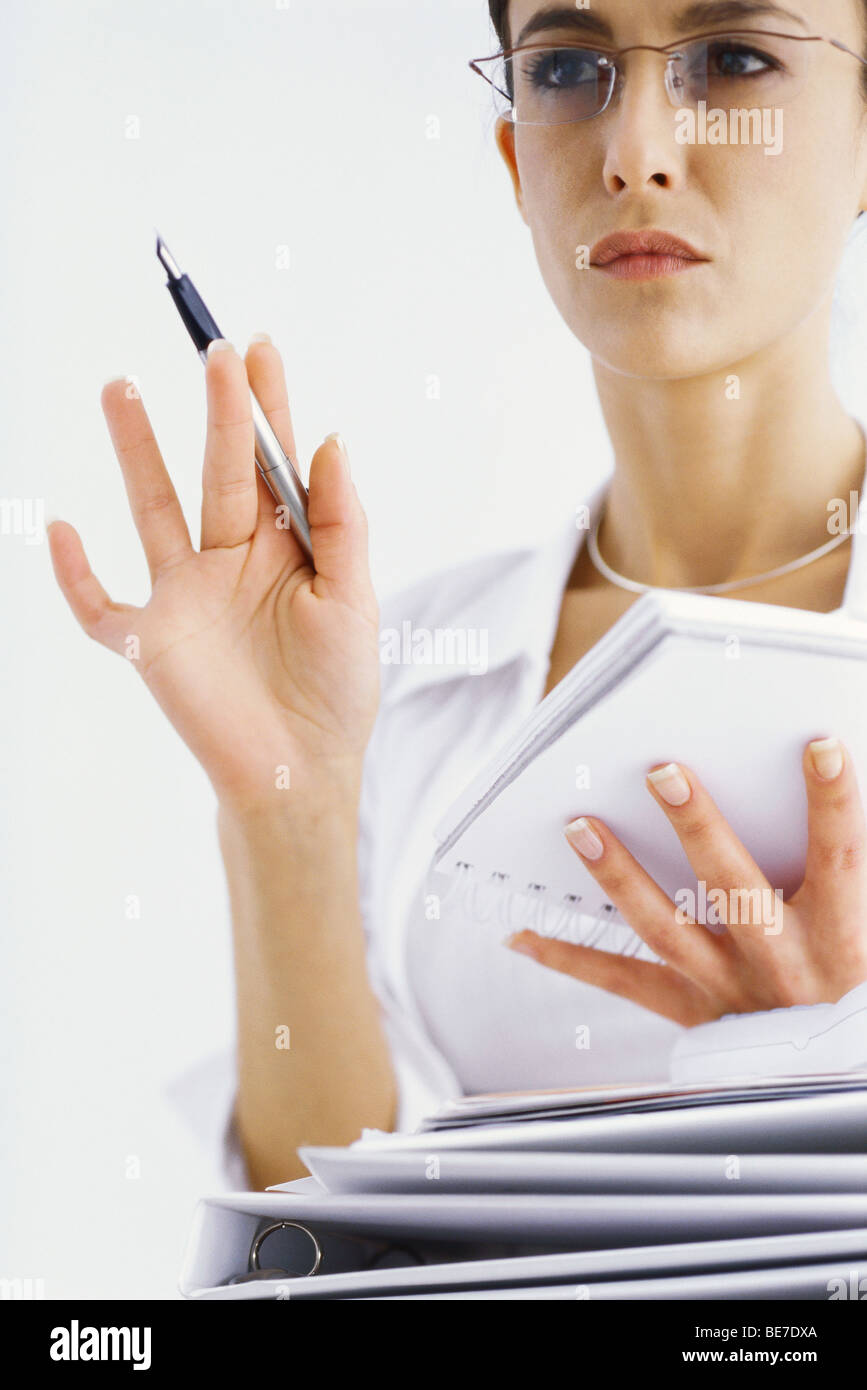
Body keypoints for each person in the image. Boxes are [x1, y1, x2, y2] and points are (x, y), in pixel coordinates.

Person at [49, 0, 867, 1191]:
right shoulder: (401, 683)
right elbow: (321, 1223)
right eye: (570, 66)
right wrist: (293, 805)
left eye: (735, 56)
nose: (634, 147)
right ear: (516, 165)